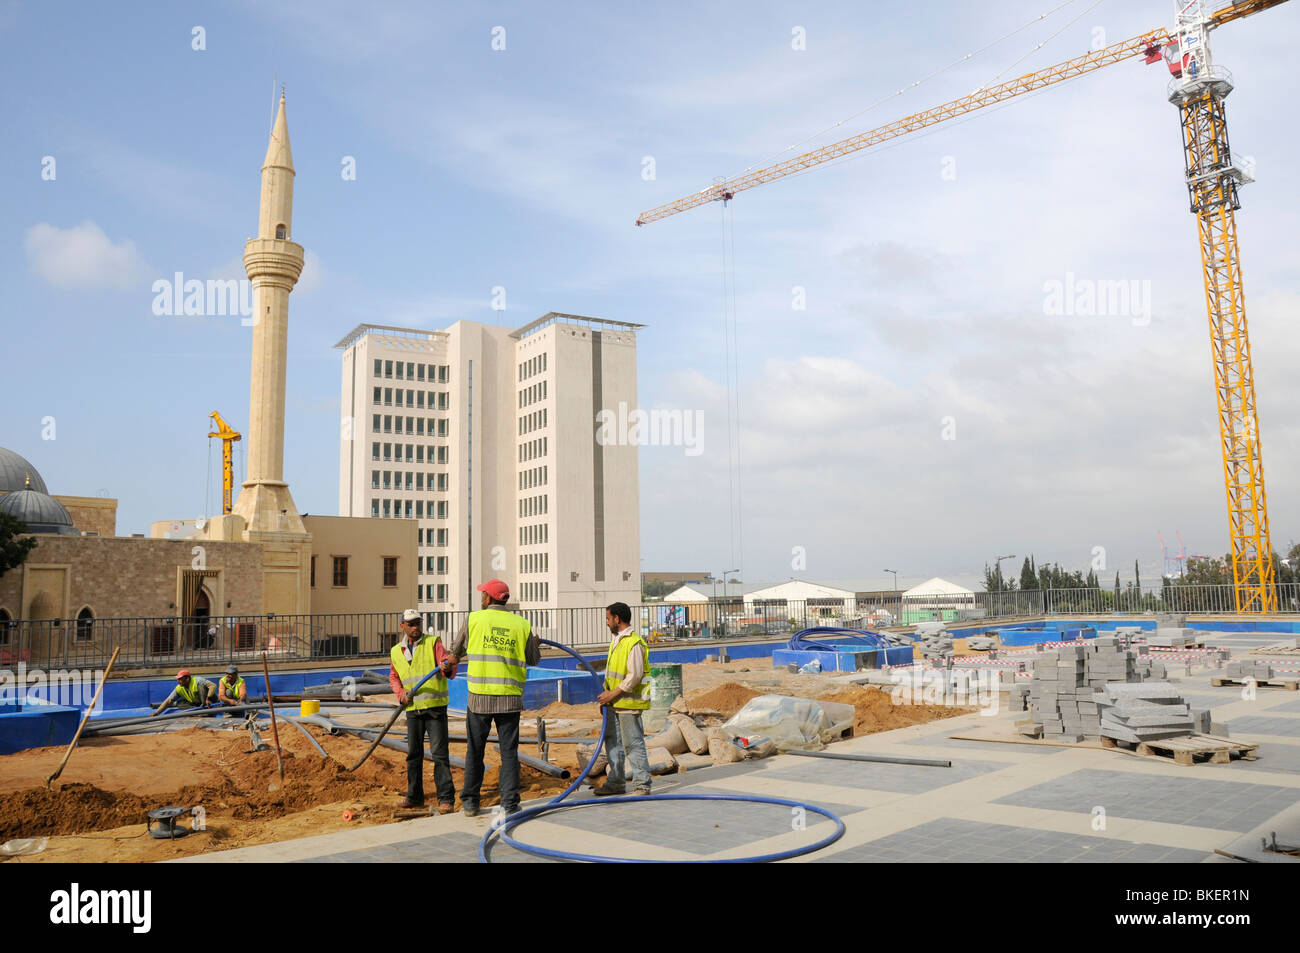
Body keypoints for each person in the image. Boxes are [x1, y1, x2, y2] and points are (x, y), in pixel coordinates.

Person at [447, 579, 539, 817]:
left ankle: (470, 801)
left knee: (475, 750)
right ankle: (509, 803)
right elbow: (534, 659)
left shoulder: (474, 619)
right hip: (509, 698)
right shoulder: (522, 625)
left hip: (480, 698)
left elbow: (455, 653)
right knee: (509, 751)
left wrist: (448, 662)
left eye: (483, 595)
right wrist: (534, 642)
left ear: (488, 598)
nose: (481, 598)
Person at [389, 608, 457, 812]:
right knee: (414, 754)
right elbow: (394, 676)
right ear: (403, 626)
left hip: (434, 708)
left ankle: (446, 799)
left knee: (439, 754)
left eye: (418, 623)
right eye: (410, 624)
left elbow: (447, 669)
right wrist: (400, 693)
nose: (415, 627)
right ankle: (414, 796)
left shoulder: (433, 643)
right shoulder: (395, 651)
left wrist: (447, 667)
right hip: (413, 709)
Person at [593, 602, 653, 797]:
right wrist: (606, 697)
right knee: (613, 743)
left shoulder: (634, 642)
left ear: (617, 619)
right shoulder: (617, 640)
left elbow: (634, 675)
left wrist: (613, 694)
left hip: (628, 702)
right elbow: (612, 673)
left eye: (608, 619)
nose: (606, 623)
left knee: (633, 744)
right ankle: (616, 782)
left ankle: (642, 784)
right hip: (614, 703)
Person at [152, 669, 217, 715]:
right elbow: (168, 701)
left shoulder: (198, 680)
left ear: (187, 679)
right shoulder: (179, 688)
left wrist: (208, 698)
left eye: (180, 679)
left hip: (209, 701)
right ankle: (197, 711)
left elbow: (213, 686)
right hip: (197, 704)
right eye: (178, 679)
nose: (178, 681)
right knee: (179, 704)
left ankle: (206, 709)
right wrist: (157, 712)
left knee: (201, 686)